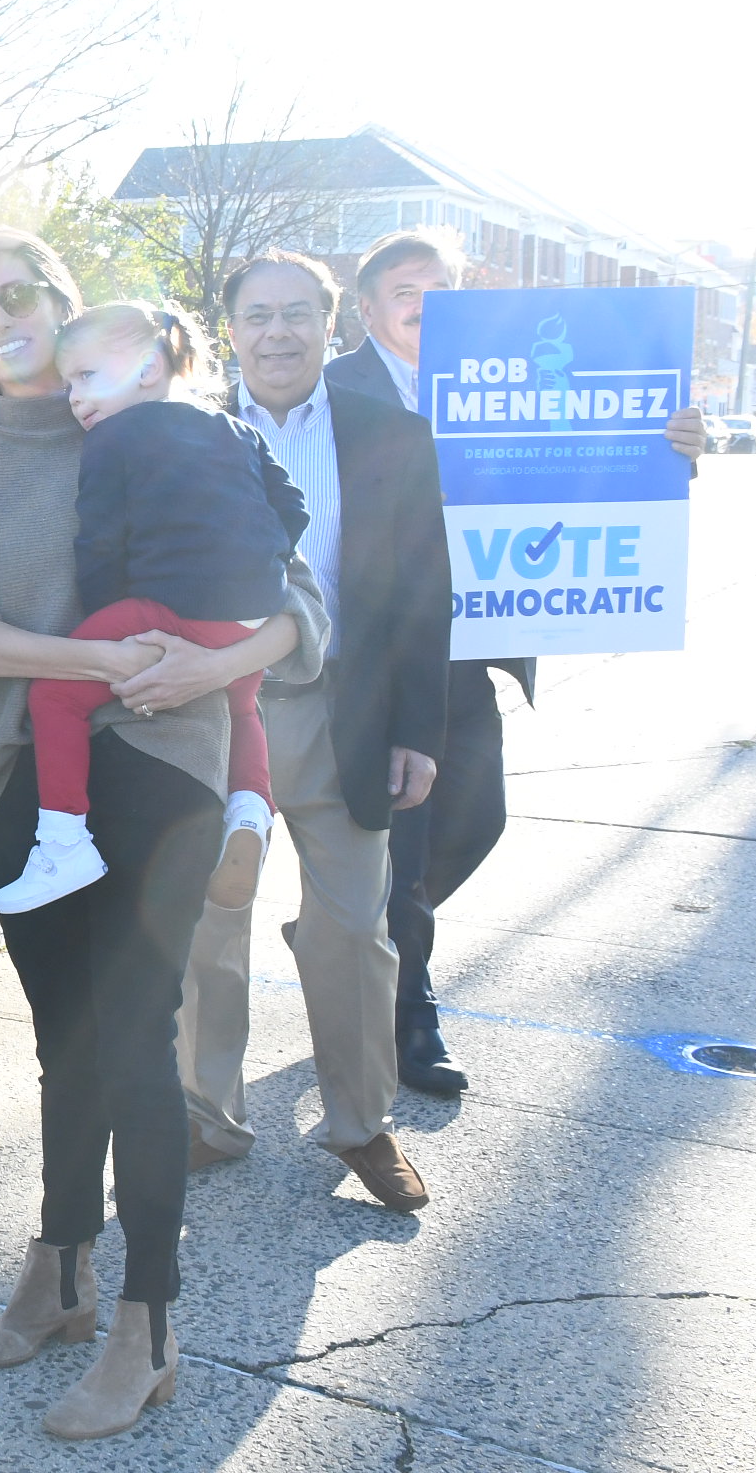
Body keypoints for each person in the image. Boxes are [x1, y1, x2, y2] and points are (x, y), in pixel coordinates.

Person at [0, 229, 325, 1441]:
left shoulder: (163, 421)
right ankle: (60, 1271)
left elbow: (293, 595)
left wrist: (216, 658)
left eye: (16, 294)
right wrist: (94, 656)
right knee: (65, 1039)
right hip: (21, 777)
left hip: (166, 763)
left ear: (70, 305)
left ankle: (149, 1323)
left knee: (135, 1037)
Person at [325, 229, 707, 1095]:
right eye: (406, 291)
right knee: (407, 829)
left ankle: (360, 932)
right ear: (370, 308)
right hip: (379, 653)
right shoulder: (333, 387)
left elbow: (594, 467)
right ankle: (407, 1010)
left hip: (469, 642)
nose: (427, 305)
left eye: (442, 289)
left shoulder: (524, 384)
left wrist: (667, 448)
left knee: (477, 819)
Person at [179, 250, 448, 1218]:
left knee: (352, 929)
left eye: (299, 313)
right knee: (209, 922)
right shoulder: (185, 432)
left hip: (350, 713)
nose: (279, 332)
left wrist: (420, 726)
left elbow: (426, 588)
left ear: (332, 326)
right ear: (231, 331)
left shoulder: (391, 432)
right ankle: (207, 1115)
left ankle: (361, 1123)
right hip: (220, 711)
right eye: (259, 315)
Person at [3, 302, 309, 914]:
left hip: (169, 610)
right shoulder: (236, 428)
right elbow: (295, 507)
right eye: (68, 385)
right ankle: (249, 809)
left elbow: (99, 538)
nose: (74, 398)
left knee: (56, 692)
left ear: (147, 368)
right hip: (252, 613)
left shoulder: (117, 434)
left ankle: (64, 840)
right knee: (241, 701)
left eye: (87, 377)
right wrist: (257, 563)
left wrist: (110, 628)